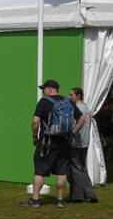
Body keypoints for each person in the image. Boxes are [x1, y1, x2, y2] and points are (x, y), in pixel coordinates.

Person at [24, 80, 77, 209]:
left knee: (40, 171)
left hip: (46, 144)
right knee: (62, 172)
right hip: (64, 143)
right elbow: (82, 118)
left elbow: (35, 122)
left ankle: (35, 200)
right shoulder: (68, 101)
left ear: (49, 89)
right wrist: (73, 132)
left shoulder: (44, 102)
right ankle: (60, 200)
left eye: (44, 89)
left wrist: (34, 136)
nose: (43, 91)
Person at [66, 87, 97, 203]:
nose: (69, 97)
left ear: (78, 96)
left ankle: (77, 195)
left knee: (75, 169)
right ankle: (90, 194)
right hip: (85, 141)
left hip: (76, 141)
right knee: (83, 168)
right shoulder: (86, 107)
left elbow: (75, 124)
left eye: (71, 95)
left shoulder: (77, 108)